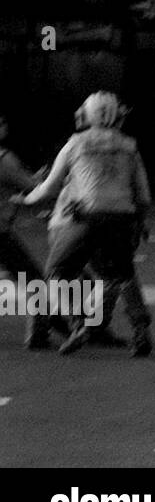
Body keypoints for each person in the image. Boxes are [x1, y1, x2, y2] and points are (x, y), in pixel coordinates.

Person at [13, 92, 153, 357]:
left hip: (84, 218)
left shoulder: (75, 144)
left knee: (56, 273)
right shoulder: (130, 146)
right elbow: (143, 195)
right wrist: (139, 222)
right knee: (123, 276)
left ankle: (78, 324)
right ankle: (141, 330)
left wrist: (26, 198)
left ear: (87, 114)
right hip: (121, 219)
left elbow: (49, 187)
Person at [0, 113, 74, 349]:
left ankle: (60, 325)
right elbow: (32, 187)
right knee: (33, 281)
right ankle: (39, 334)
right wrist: (46, 179)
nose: (5, 125)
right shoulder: (4, 159)